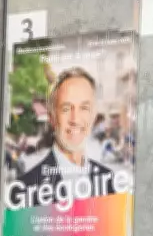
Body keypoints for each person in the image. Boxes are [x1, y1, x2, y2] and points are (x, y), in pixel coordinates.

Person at [14, 67, 116, 200]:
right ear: (52, 117)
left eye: (84, 108)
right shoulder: (25, 189)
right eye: (66, 108)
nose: (75, 119)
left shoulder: (110, 182)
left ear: (93, 116)